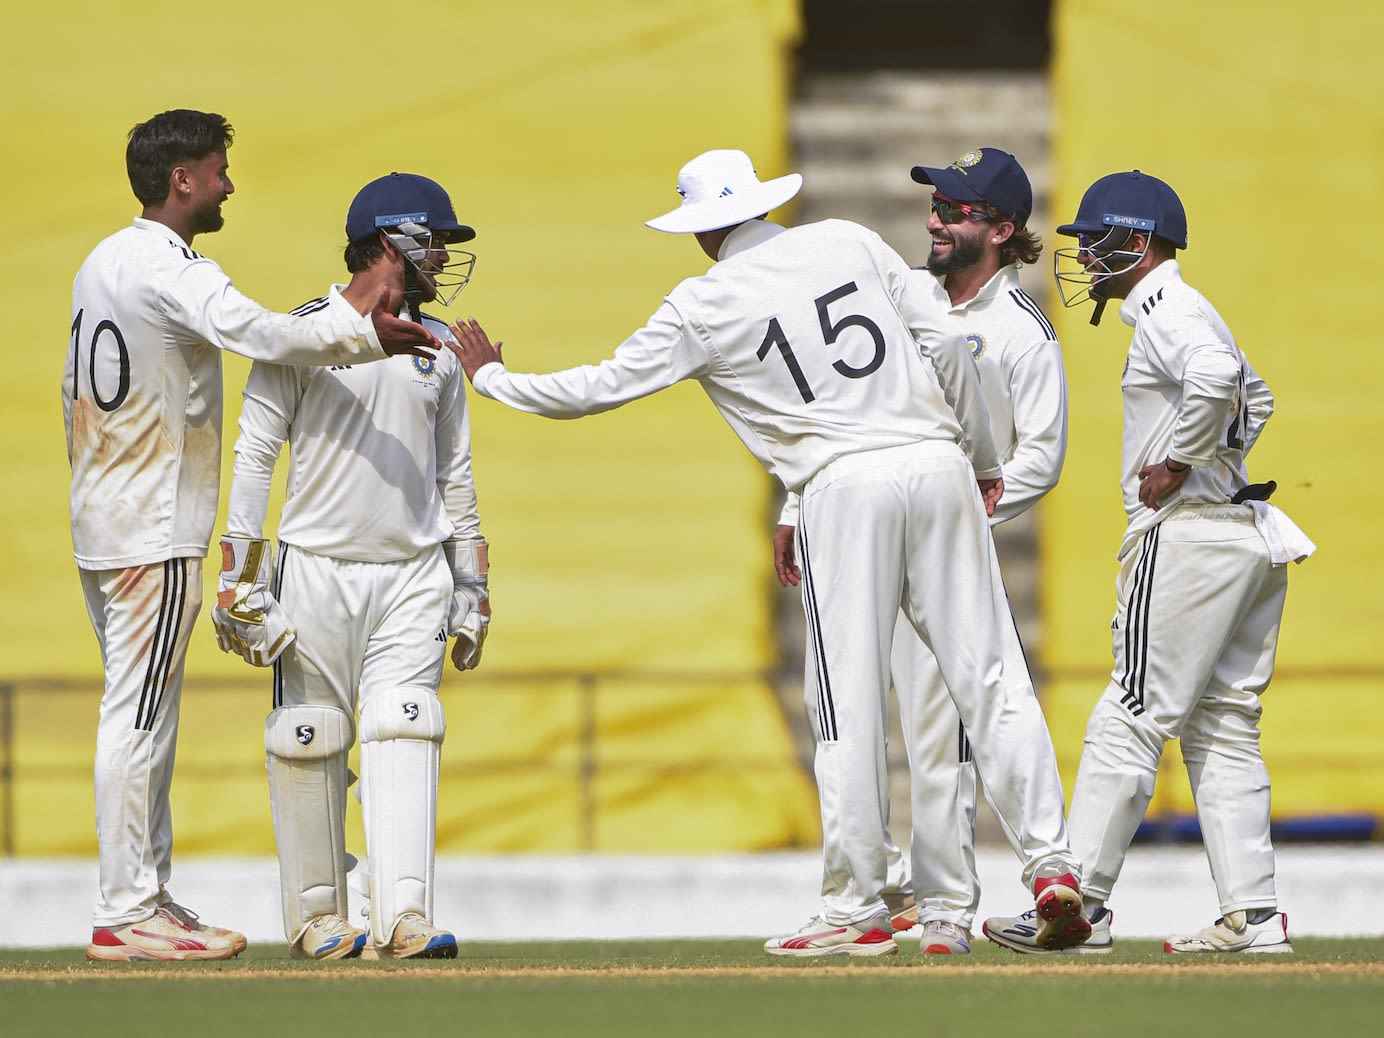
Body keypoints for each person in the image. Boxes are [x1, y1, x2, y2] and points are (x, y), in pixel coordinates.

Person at [445, 148, 1089, 957]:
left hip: (842, 488)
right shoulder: (846, 240)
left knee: (846, 705)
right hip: (935, 463)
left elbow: (595, 388)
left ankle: (856, 906)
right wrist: (982, 462)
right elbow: (946, 348)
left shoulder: (701, 302)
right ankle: (1053, 863)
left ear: (701, 226)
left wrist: (495, 379)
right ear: (758, 203)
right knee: (993, 679)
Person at [64, 109, 440, 963]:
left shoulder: (102, 260)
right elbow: (261, 332)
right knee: (138, 715)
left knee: (139, 707)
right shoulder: (171, 267)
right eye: (218, 169)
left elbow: (72, 388)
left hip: (104, 512)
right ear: (182, 179)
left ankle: (146, 896)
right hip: (152, 520)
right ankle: (128, 909)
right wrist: (358, 331)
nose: (229, 183)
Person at [982, 170, 1313, 955]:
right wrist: (1219, 461)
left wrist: (1181, 461)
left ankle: (1079, 905)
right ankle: (1253, 916)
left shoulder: (1166, 306)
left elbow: (1224, 381)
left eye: (1096, 242)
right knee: (1224, 726)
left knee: (1130, 713)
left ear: (1137, 241)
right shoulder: (1192, 310)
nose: (1085, 257)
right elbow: (1255, 397)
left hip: (1190, 536)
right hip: (1245, 537)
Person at [770, 147, 1068, 955]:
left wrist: (976, 512)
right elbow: (839, 409)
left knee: (943, 735)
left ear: (1003, 229)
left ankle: (944, 911)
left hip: (947, 544)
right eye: (935, 206)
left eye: (956, 210)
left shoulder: (1022, 329)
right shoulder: (894, 297)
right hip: (874, 532)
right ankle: (882, 890)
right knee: (858, 707)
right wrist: (798, 503)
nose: (935, 221)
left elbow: (1041, 452)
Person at [218, 172, 490, 960]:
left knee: (406, 729)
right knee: (311, 739)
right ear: (389, 239)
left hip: (412, 574)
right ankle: (318, 917)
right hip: (316, 572)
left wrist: (472, 584)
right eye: (432, 238)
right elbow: (257, 450)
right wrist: (238, 573)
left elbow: (456, 474)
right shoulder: (299, 333)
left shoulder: (437, 350)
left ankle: (405, 917)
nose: (442, 254)